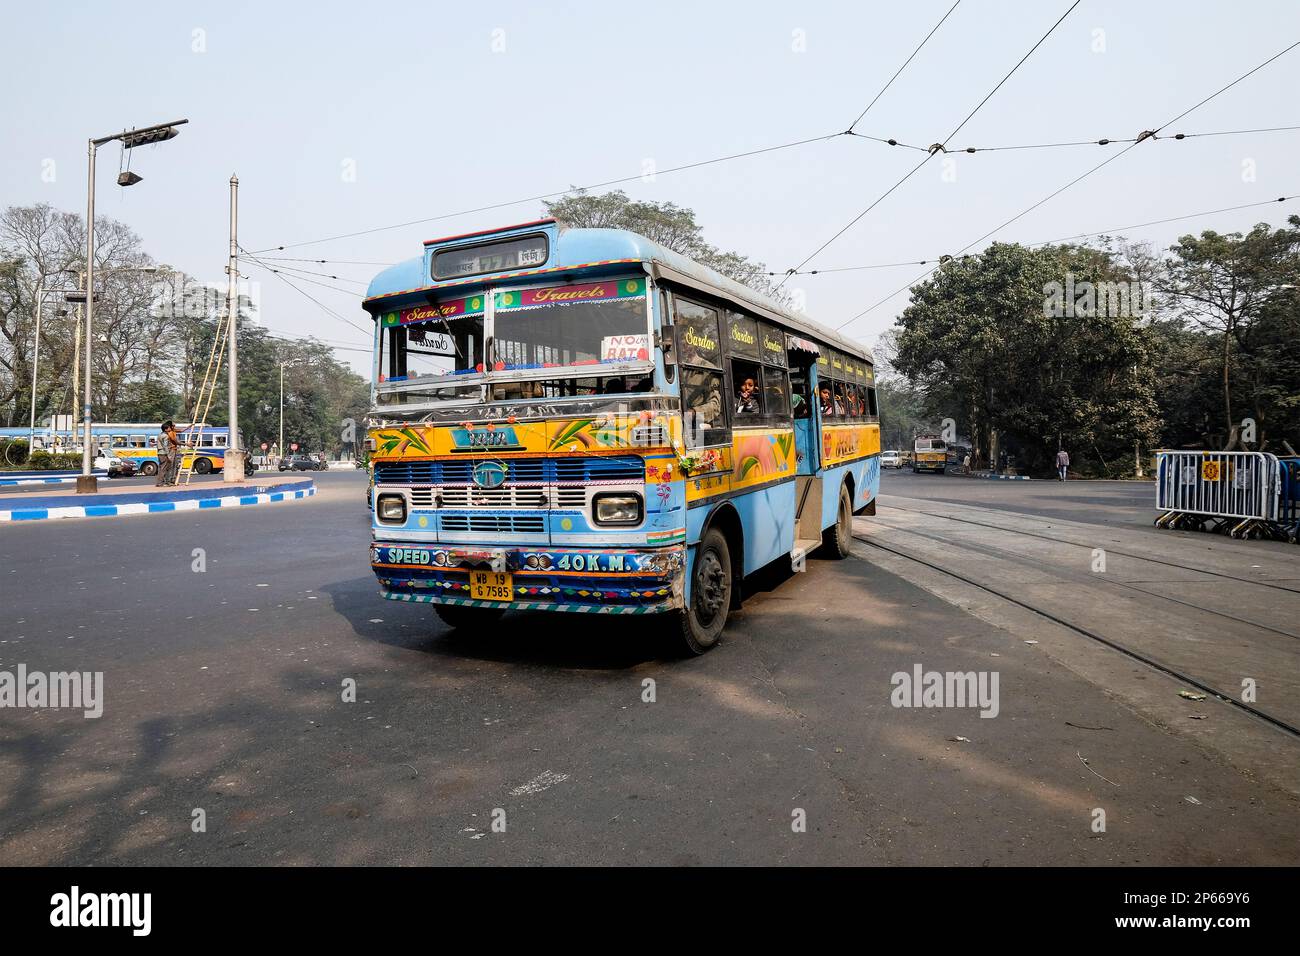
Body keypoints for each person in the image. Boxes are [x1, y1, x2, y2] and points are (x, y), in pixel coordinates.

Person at [157, 420, 183, 487]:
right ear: (166, 429)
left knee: (161, 468)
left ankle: (160, 482)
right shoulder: (166, 436)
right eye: (168, 428)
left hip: (159, 453)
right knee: (165, 468)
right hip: (164, 453)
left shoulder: (160, 435)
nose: (170, 428)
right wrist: (168, 454)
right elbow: (165, 446)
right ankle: (164, 483)